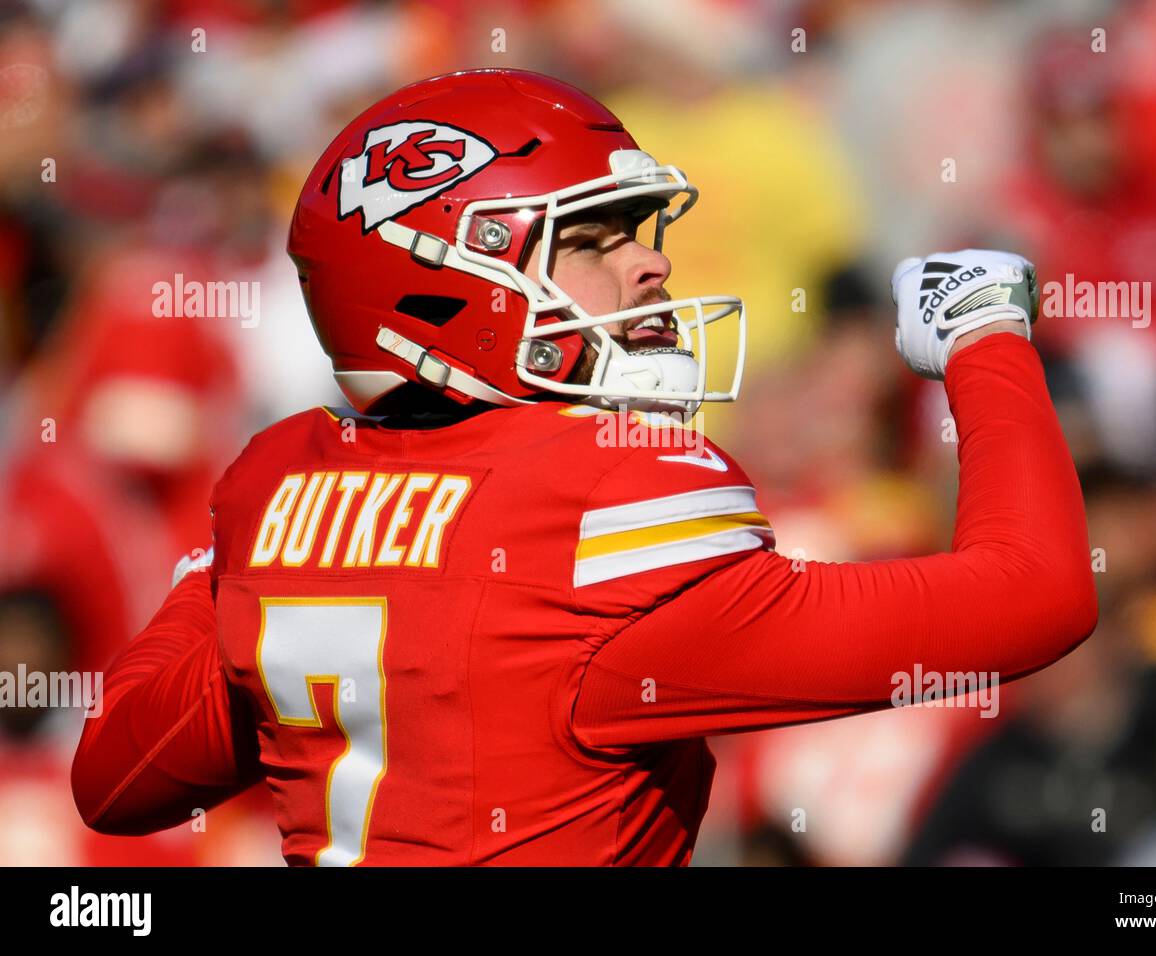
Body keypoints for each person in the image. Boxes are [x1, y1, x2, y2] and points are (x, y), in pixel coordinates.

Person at [71, 68, 1096, 866]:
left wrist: (223, 563)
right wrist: (983, 337)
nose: (649, 264)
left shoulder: (279, 479)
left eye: (638, 231)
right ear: (445, 284)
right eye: (592, 238)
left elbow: (117, 782)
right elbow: (1034, 593)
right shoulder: (610, 488)